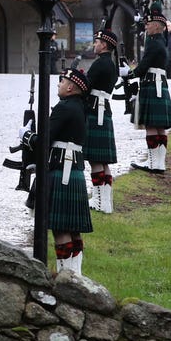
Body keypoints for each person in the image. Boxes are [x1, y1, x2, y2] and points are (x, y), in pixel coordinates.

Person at [29, 67, 92, 275]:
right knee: (73, 230)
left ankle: (65, 281)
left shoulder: (64, 107)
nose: (59, 84)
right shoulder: (79, 107)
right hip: (72, 169)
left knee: (61, 230)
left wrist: (27, 137)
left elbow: (45, 138)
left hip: (62, 171)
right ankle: (76, 277)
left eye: (62, 81)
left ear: (71, 87)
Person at [129, 13, 171, 173]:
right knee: (160, 127)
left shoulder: (153, 43)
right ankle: (159, 163)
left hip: (151, 83)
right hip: (158, 83)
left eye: (148, 24)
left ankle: (152, 163)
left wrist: (128, 74)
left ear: (157, 26)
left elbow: (144, 65)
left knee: (151, 125)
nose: (146, 26)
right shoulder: (161, 42)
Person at [85, 28, 119, 214]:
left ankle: (99, 201)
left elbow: (86, 85)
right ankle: (105, 201)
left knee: (96, 160)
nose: (95, 44)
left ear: (104, 44)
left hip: (95, 109)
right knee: (103, 161)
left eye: (97, 42)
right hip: (103, 108)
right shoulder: (110, 64)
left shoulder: (100, 64)